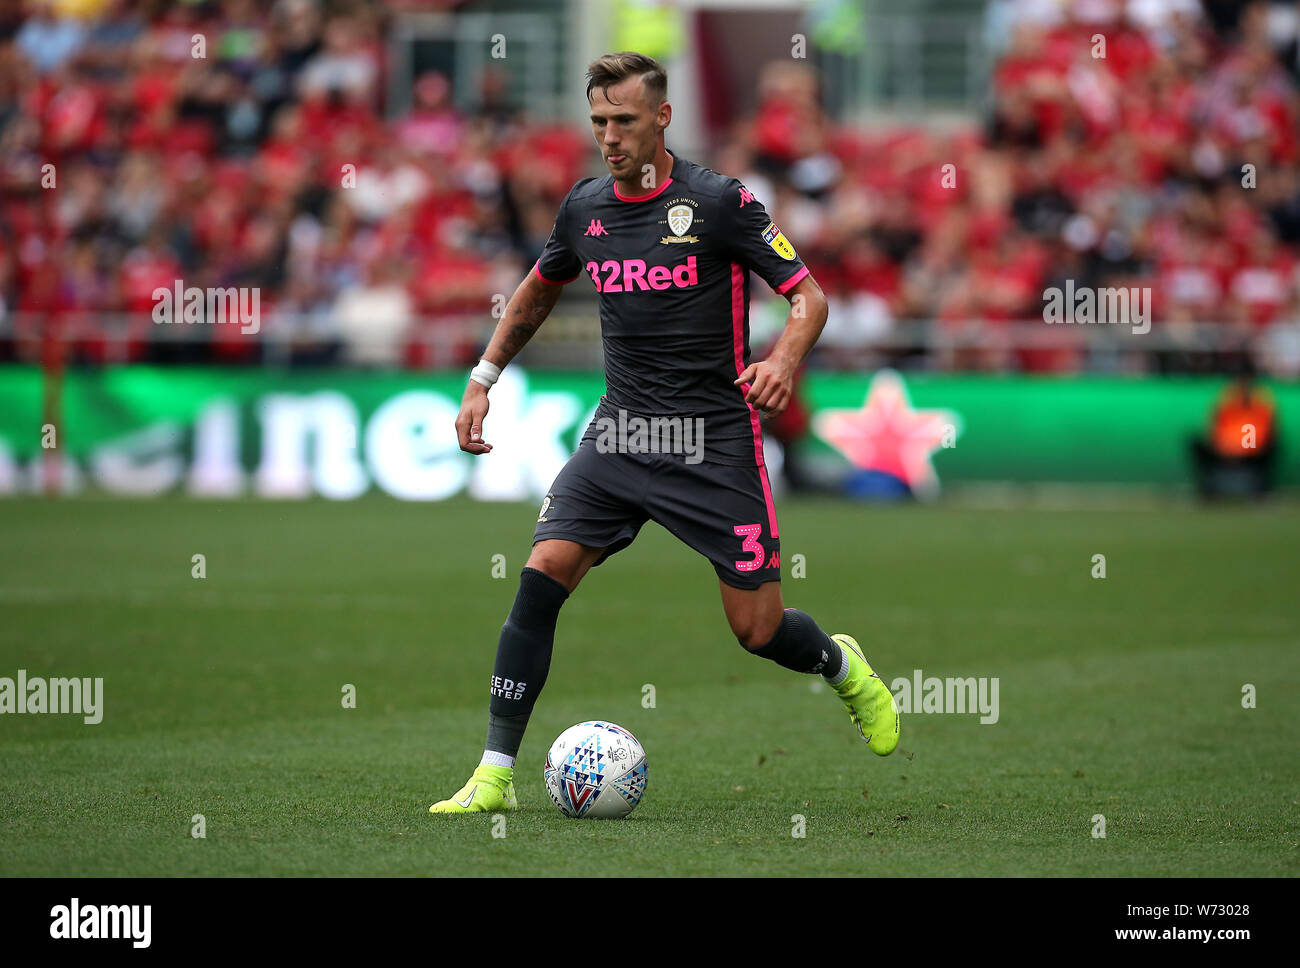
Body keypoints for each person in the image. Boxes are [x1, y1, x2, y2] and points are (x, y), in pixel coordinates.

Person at [430, 52, 899, 815]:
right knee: (541, 576)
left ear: (661, 118)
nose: (609, 137)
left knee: (757, 629)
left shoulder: (720, 203)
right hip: (618, 436)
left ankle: (841, 667)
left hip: (713, 442)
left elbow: (808, 296)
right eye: (598, 122)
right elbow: (534, 295)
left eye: (623, 120)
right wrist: (482, 379)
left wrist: (781, 357)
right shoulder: (584, 209)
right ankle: (493, 775)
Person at [1190, 374, 1279, 498]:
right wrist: (1228, 447)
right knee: (1195, 443)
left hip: (1252, 452)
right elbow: (1217, 430)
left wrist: (1243, 449)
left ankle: (1261, 490)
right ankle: (1207, 489)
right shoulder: (1228, 401)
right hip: (1225, 449)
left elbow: (1265, 432)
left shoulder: (1261, 403)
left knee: (1272, 446)